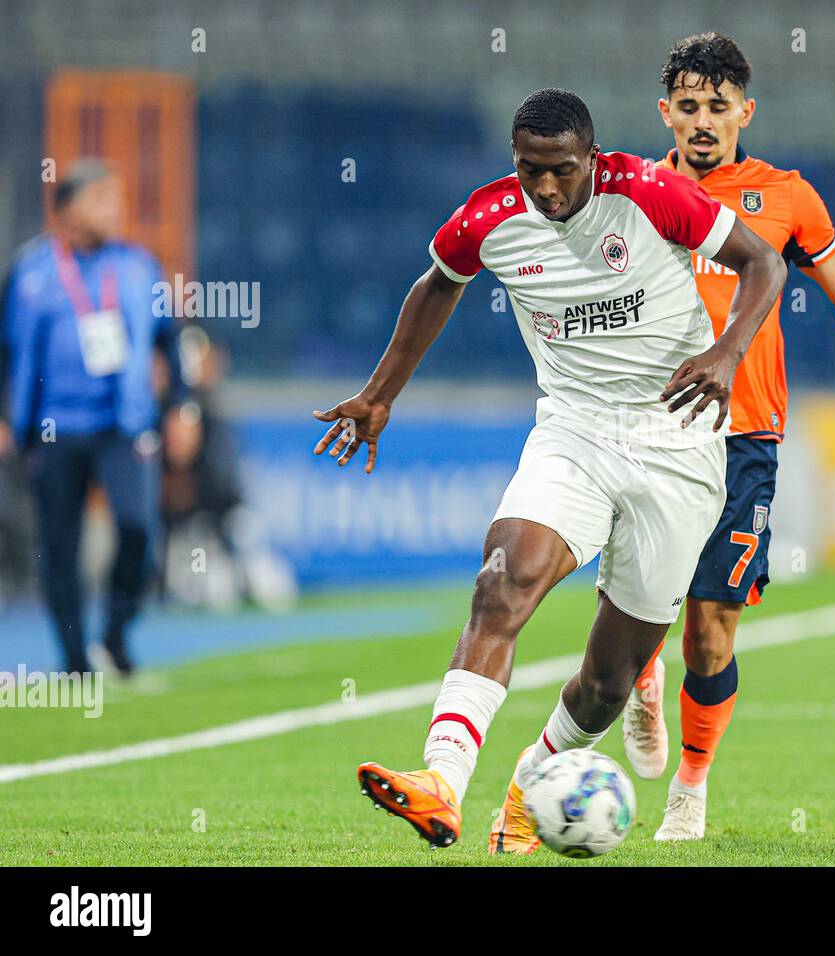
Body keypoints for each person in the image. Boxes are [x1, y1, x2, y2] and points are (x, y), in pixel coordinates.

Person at [313, 89, 786, 852]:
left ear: (591, 160)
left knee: (609, 680)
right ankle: (442, 780)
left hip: (681, 442)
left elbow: (762, 261)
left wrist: (726, 352)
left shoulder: (652, 193)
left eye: (561, 170)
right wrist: (378, 394)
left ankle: (533, 784)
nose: (546, 188)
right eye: (530, 170)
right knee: (503, 583)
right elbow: (437, 283)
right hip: (575, 431)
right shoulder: (489, 217)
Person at [622, 34, 835, 840]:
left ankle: (691, 786)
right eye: (689, 107)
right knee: (635, 615)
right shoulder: (630, 193)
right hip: (644, 432)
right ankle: (638, 677)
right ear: (666, 112)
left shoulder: (785, 198)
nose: (704, 122)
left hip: (744, 437)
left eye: (719, 107)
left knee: (712, 626)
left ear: (746, 111)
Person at [0, 159, 193, 676]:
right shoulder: (29, 272)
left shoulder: (136, 266)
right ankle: (73, 660)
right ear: (66, 209)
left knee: (137, 527)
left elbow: (168, 342)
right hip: (51, 429)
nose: (117, 210)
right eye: (103, 199)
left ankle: (114, 628)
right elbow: (5, 349)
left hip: (122, 425)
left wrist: (182, 407)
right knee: (59, 546)